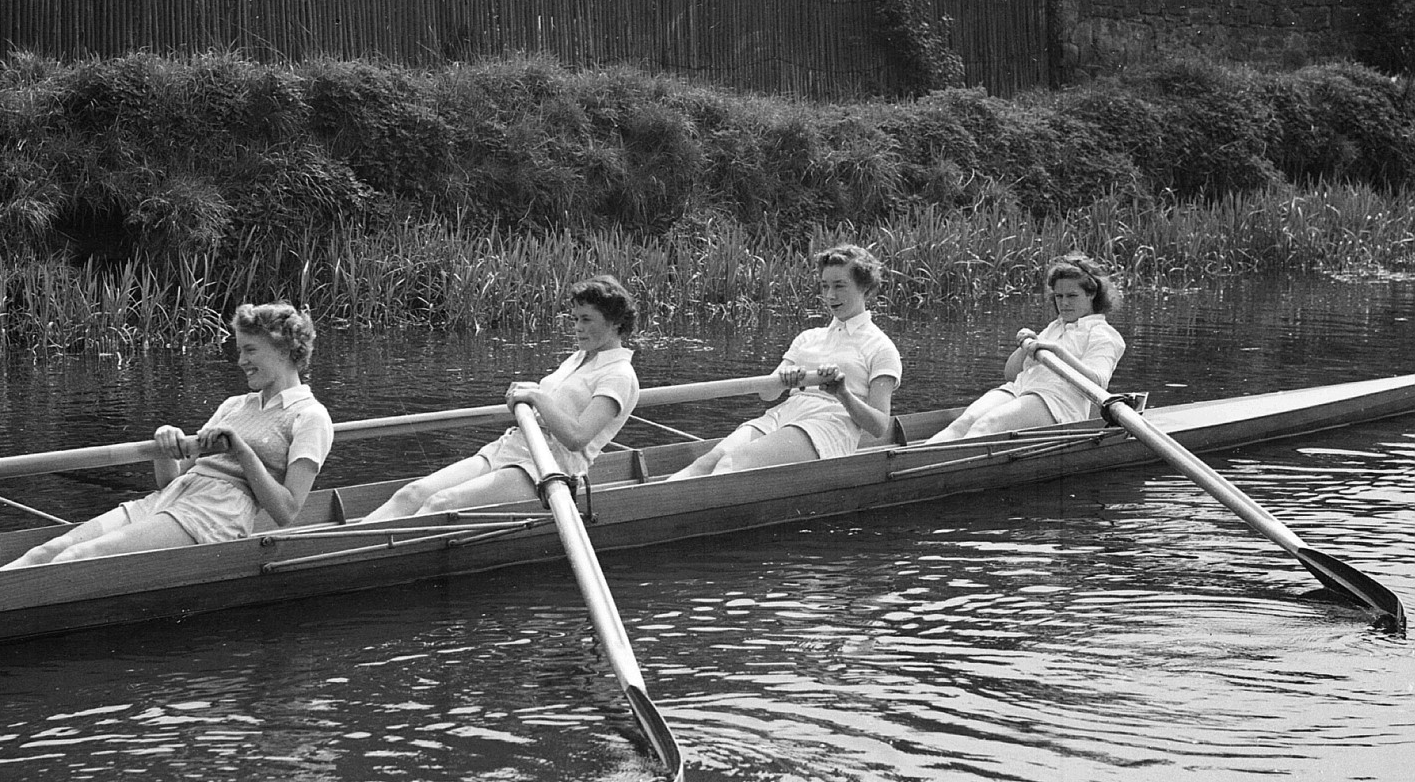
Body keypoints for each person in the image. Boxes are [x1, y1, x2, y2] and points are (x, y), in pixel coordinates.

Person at [2, 302, 330, 567]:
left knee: (77, 558)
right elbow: (169, 483)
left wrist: (242, 450)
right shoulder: (234, 405)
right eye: (240, 351)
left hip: (217, 514)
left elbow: (286, 512)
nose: (241, 361)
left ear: (284, 351)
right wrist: (165, 445)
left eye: (250, 350)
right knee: (46, 552)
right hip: (173, 498)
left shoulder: (310, 416)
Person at [360, 275, 639, 522]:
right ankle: (330, 551)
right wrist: (532, 394)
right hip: (516, 444)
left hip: (551, 468)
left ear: (615, 323)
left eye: (586, 320)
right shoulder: (580, 357)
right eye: (575, 319)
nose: (577, 327)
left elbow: (577, 437)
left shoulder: (618, 374)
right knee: (412, 493)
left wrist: (537, 397)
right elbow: (558, 400)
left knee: (441, 503)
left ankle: (363, 562)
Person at [669, 244, 901, 479]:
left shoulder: (881, 347)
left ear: (865, 287)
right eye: (825, 286)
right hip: (786, 413)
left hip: (832, 423)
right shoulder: (808, 337)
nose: (830, 295)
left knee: (731, 465)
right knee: (707, 463)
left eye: (840, 286)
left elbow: (879, 426)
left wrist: (842, 393)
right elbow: (767, 395)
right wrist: (782, 381)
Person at [927, 253, 1125, 443]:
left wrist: (1058, 353)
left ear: (1091, 294)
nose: (1064, 303)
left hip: (1057, 403)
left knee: (987, 425)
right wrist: (1024, 348)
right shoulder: (1055, 327)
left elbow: (1099, 383)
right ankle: (908, 464)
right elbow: (1010, 374)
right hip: (1019, 390)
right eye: (1059, 296)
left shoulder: (1105, 335)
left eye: (1072, 296)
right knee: (964, 422)